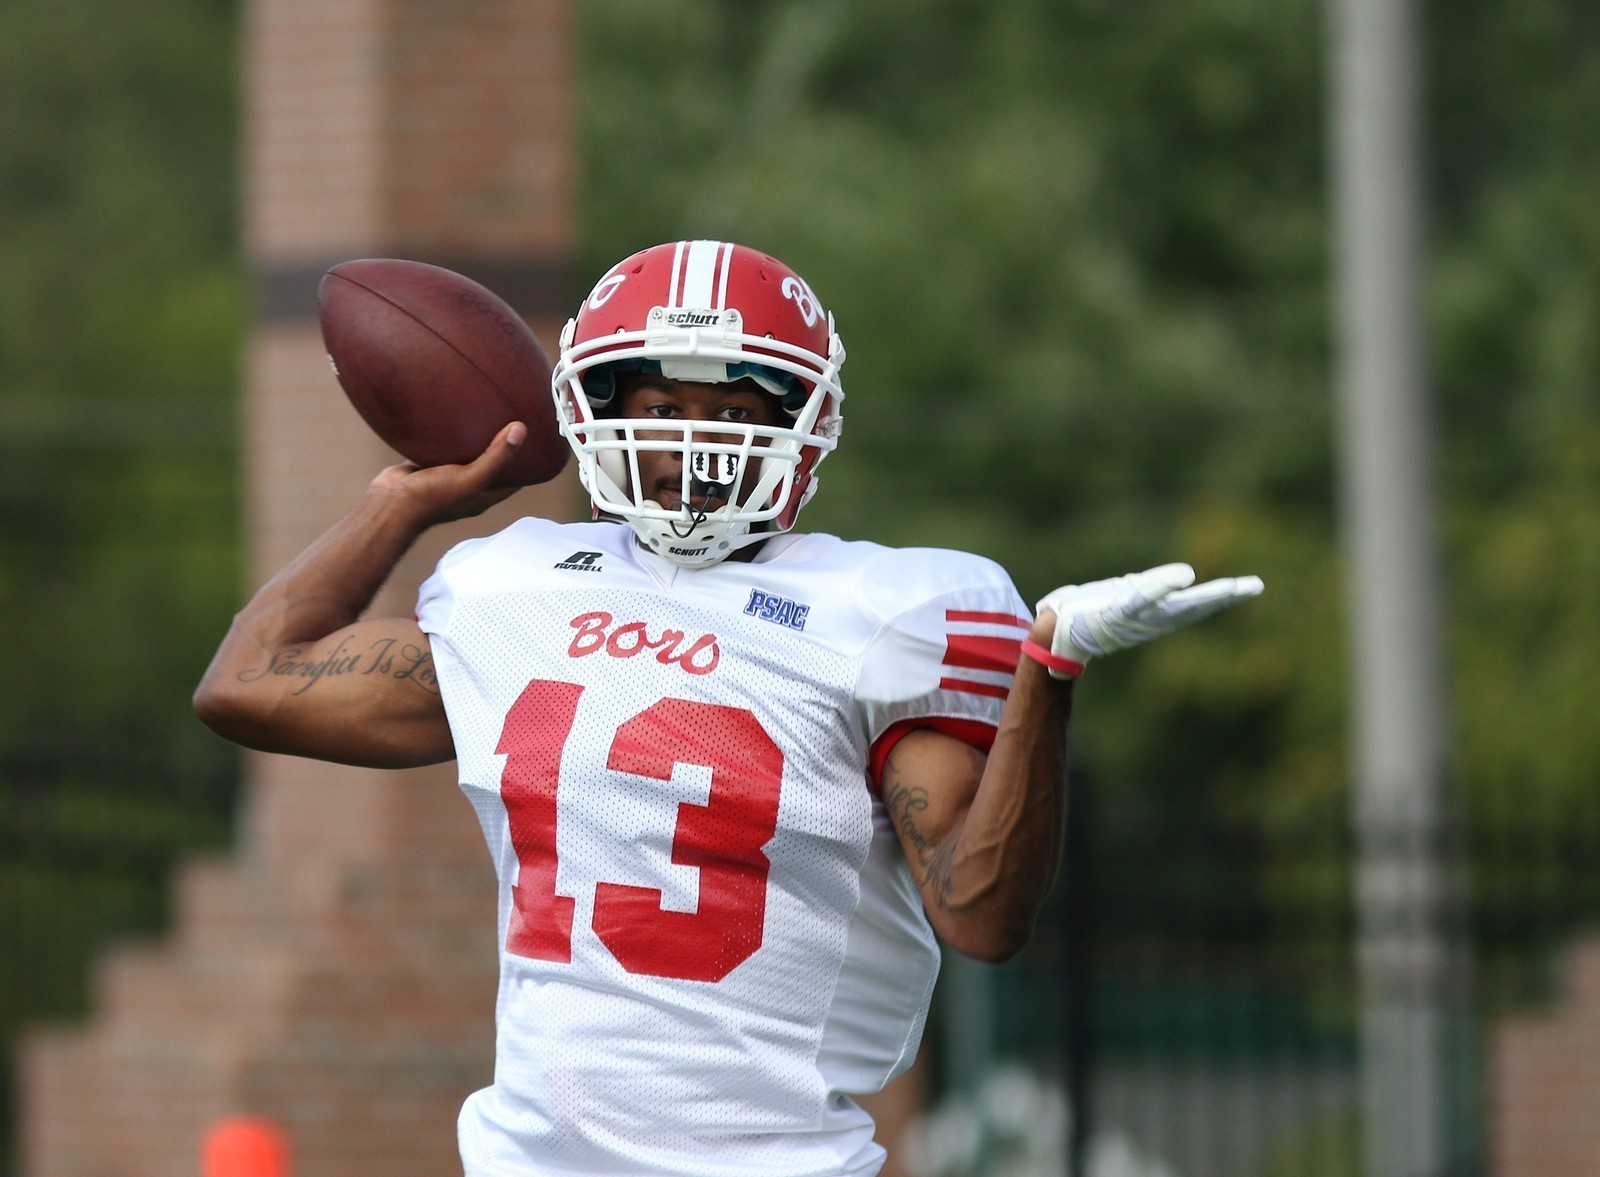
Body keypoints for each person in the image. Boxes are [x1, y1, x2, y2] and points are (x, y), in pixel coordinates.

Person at [195, 239, 1263, 1177]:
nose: (698, 441)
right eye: (662, 408)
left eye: (735, 409)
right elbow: (246, 682)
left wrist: (1050, 667)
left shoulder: (885, 611)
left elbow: (982, 915)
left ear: (807, 418)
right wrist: (408, 500)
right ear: (597, 413)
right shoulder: (511, 590)